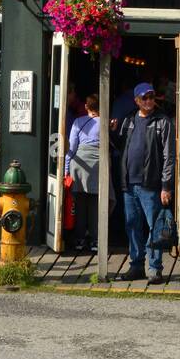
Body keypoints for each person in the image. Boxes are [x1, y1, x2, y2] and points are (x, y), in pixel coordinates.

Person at [117, 82, 175, 283]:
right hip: (129, 183)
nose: (149, 101)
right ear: (137, 100)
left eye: (151, 97)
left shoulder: (162, 122)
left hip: (151, 184)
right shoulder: (129, 120)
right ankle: (136, 265)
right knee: (132, 225)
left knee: (154, 227)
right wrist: (113, 130)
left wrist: (166, 185)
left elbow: (169, 156)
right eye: (145, 98)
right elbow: (120, 146)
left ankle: (155, 268)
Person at [65, 94, 115, 252]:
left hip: (79, 165)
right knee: (96, 204)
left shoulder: (78, 122)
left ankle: (79, 239)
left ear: (86, 107)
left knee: (79, 203)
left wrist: (66, 169)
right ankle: (95, 240)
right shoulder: (106, 122)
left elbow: (71, 148)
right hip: (98, 164)